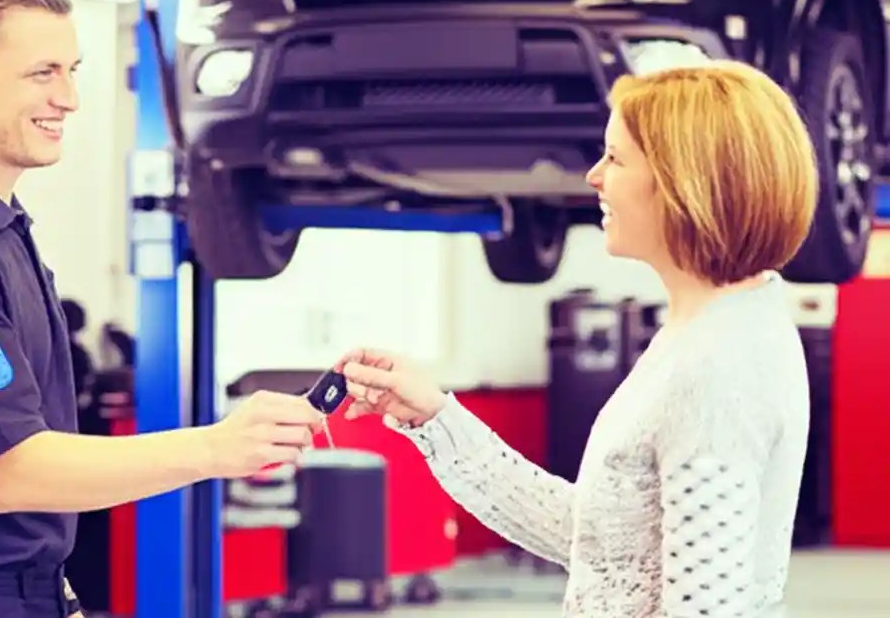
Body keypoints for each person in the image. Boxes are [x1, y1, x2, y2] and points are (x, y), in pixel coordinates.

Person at [0, 0, 323, 618]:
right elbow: (12, 475)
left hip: (15, 594)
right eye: (42, 73)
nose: (68, 99)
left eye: (72, 71)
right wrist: (214, 446)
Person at [336, 61, 818, 617]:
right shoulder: (707, 333)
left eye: (615, 158)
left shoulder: (718, 366)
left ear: (684, 182)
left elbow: (706, 611)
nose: (594, 175)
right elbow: (602, 542)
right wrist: (435, 419)